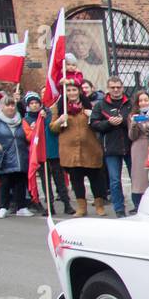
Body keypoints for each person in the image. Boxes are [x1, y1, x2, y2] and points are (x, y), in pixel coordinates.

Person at [53, 81, 108, 217]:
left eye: (74, 90)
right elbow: (53, 128)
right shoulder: (60, 108)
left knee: (95, 179)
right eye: (69, 90)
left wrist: (92, 116)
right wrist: (59, 121)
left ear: (79, 92)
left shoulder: (90, 107)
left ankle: (99, 206)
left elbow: (100, 124)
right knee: (76, 180)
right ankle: (81, 207)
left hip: (90, 149)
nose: (71, 93)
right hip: (71, 152)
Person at [21, 92, 74, 217]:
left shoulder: (49, 115)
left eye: (36, 103)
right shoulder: (26, 119)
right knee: (46, 181)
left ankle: (67, 204)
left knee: (59, 179)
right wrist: (35, 128)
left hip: (53, 151)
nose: (34, 106)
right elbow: (28, 136)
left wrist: (46, 118)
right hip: (40, 154)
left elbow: (53, 128)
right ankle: (50, 206)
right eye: (31, 104)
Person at [89, 75, 133, 217]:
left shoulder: (130, 103)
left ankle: (137, 205)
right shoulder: (100, 105)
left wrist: (123, 122)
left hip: (129, 145)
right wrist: (108, 123)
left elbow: (137, 121)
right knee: (114, 180)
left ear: (122, 88)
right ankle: (119, 209)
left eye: (118, 87)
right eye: (112, 88)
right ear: (108, 89)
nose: (116, 90)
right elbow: (93, 124)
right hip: (111, 148)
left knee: (135, 178)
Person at [0, 94, 31, 217]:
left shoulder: (21, 120)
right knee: (5, 183)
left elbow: (28, 136)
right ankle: (3, 207)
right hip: (4, 157)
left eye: (12, 105)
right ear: (1, 107)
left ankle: (21, 207)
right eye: (7, 105)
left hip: (20, 156)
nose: (11, 107)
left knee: (20, 182)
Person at [127, 90, 149, 209]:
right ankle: (137, 203)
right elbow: (131, 136)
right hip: (138, 147)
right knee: (139, 177)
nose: (143, 103)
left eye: (146, 100)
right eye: (141, 101)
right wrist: (134, 124)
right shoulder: (132, 115)